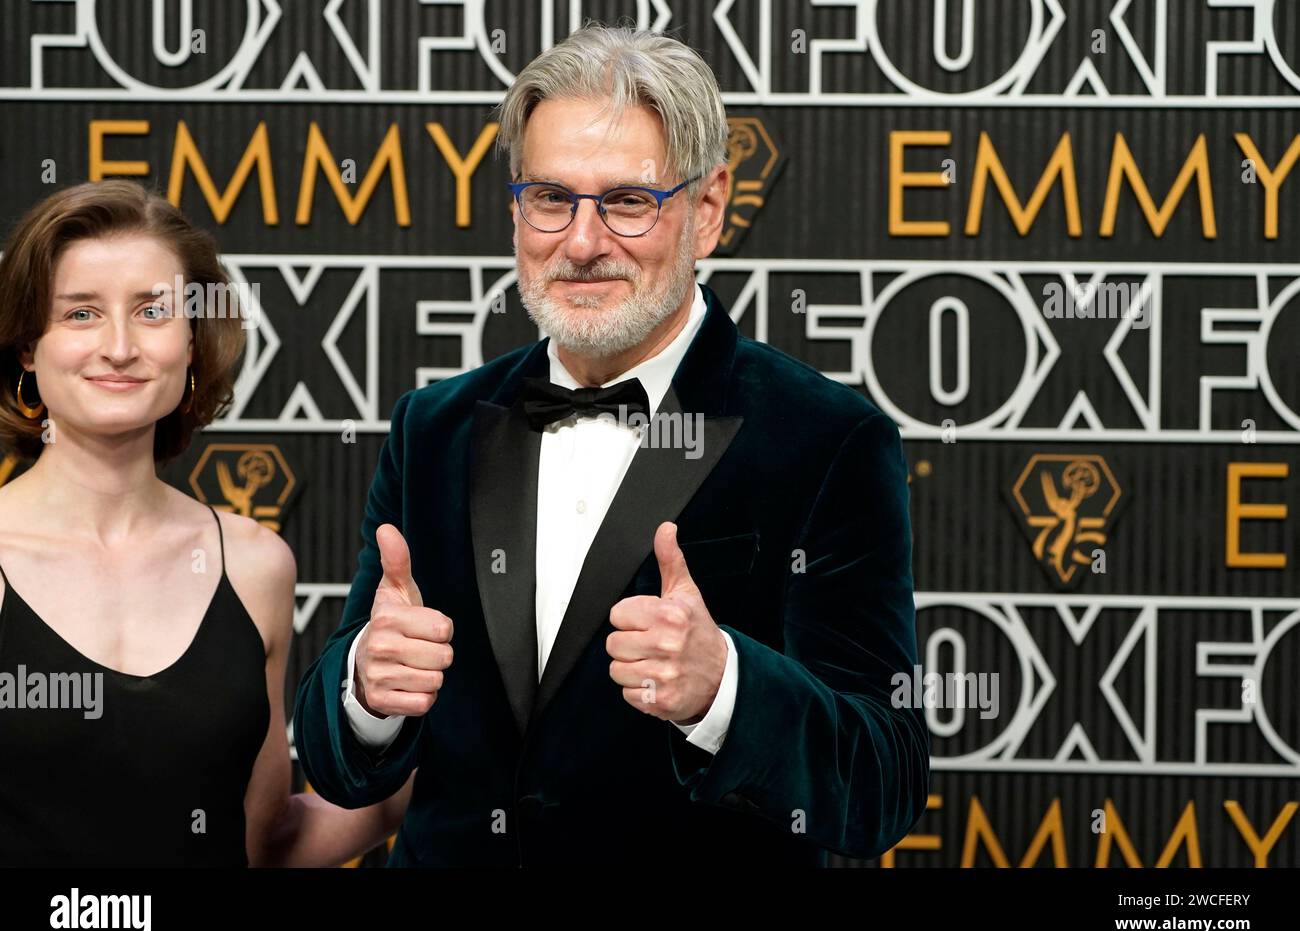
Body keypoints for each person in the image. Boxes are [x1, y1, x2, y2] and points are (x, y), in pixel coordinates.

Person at [294, 24, 929, 866]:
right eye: (551, 198)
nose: (583, 243)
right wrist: (367, 693)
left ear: (706, 210)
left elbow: (881, 781)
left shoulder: (827, 441)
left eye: (629, 202)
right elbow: (341, 770)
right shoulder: (433, 427)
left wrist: (726, 690)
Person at [0, 179, 408, 867]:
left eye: (152, 312)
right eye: (80, 314)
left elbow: (259, 843)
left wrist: (455, 749)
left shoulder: (254, 566)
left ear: (193, 343)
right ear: (27, 350)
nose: (120, 346)